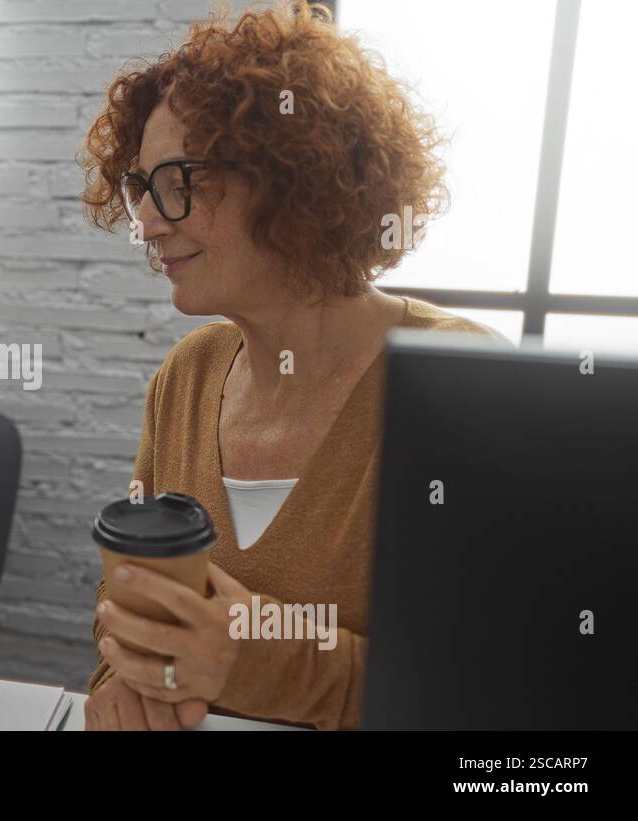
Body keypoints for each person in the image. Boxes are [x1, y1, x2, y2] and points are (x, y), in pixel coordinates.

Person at [78, 1, 506, 728]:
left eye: (177, 181)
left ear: (292, 175)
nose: (147, 222)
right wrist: (122, 683)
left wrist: (256, 659)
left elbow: (494, 687)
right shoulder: (186, 378)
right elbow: (129, 602)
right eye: (142, 189)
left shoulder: (467, 384)